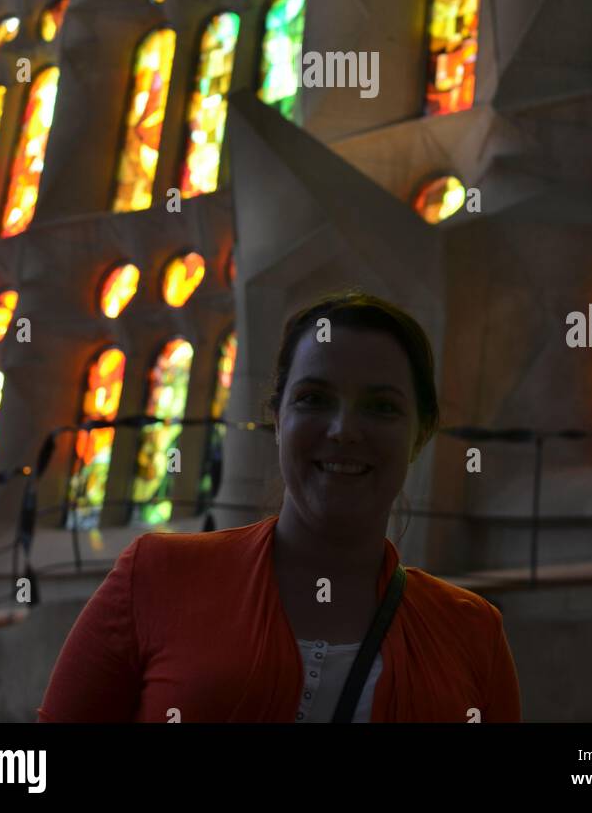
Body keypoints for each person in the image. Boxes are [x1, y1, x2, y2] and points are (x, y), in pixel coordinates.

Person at [37, 290, 521, 722]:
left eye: (381, 407)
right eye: (314, 399)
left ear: (422, 434)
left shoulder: (472, 631)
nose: (343, 430)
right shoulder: (155, 577)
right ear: (277, 418)